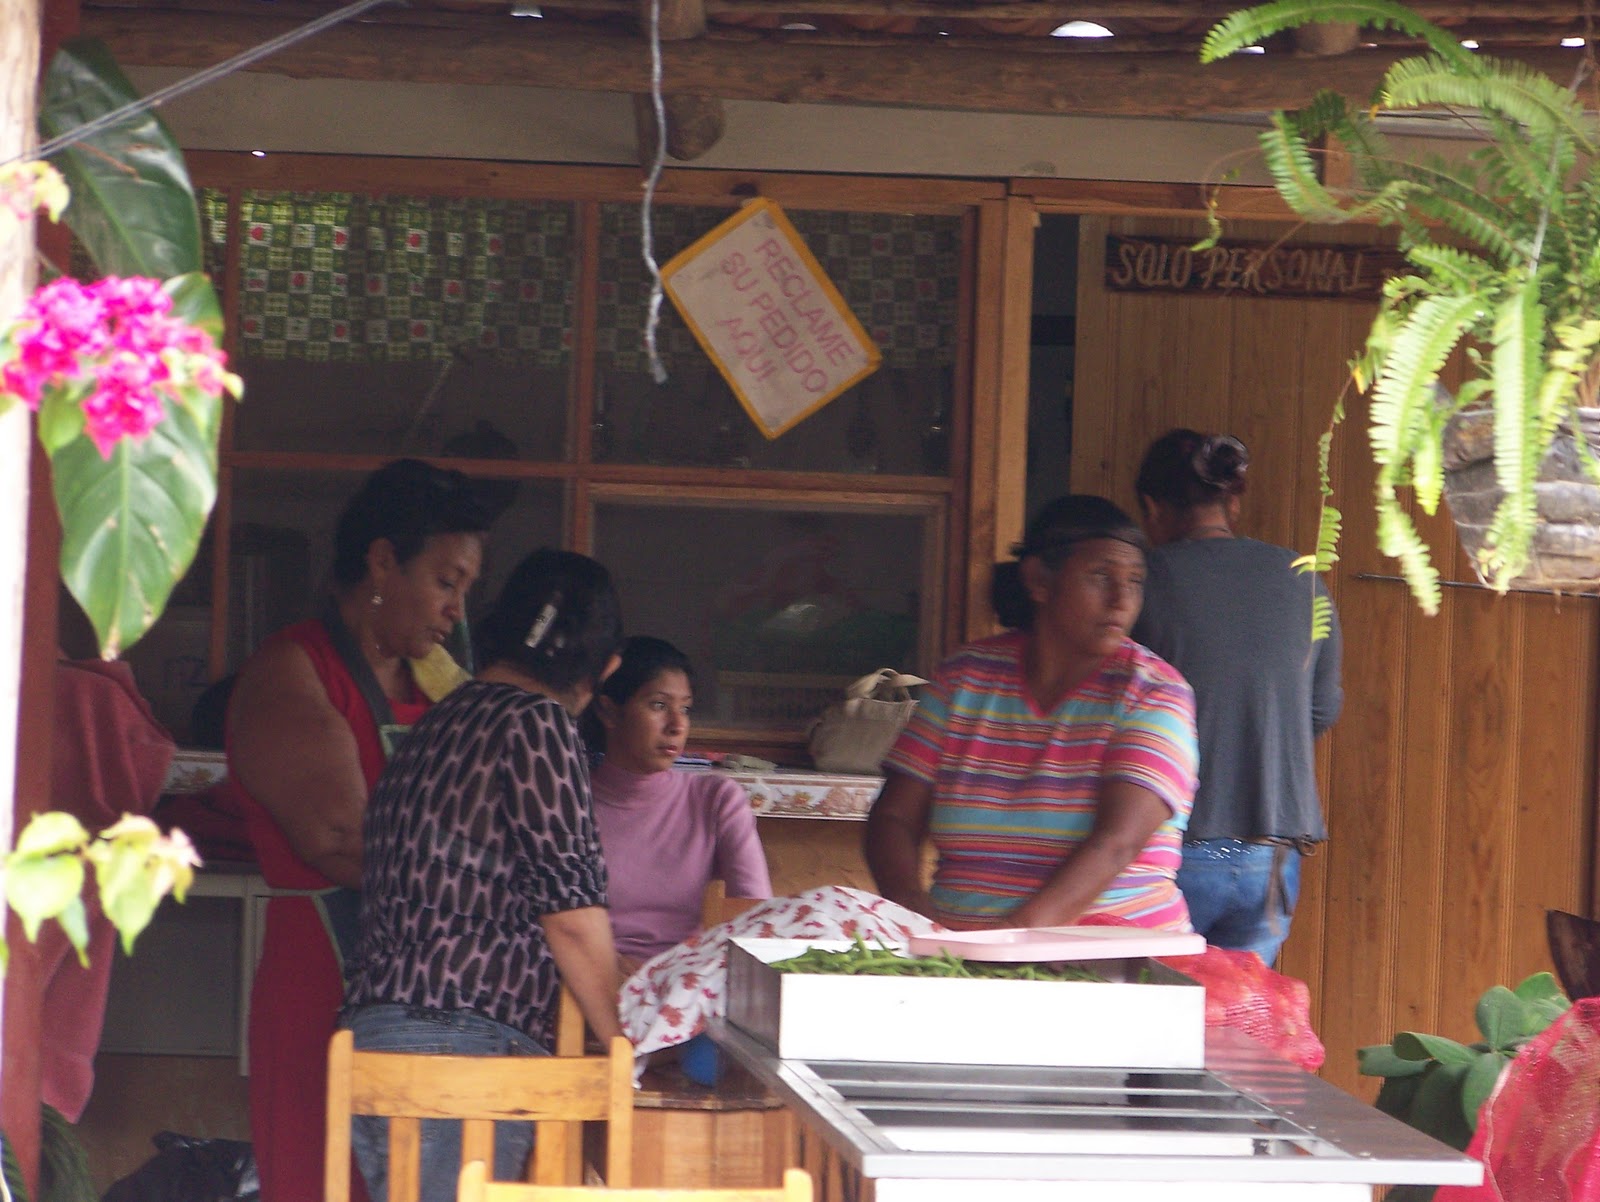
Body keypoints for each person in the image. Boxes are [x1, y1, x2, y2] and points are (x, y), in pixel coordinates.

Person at [221, 459, 492, 1202]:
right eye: (446, 581)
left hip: (439, 997)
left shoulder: (434, 680)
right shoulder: (295, 671)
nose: (455, 613)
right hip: (327, 983)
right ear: (381, 561)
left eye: (465, 589)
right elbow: (341, 841)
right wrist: (499, 877)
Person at [342, 548, 626, 1202]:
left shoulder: (443, 722)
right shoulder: (538, 725)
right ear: (605, 669)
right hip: (458, 1048)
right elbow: (572, 917)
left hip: (387, 1037)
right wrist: (622, 1048)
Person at [865, 495, 1198, 932]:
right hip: (962, 955)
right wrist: (910, 909)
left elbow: (1118, 842)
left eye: (1135, 582)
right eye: (1100, 576)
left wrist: (1014, 942)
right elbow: (894, 817)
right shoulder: (965, 679)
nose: (1121, 600)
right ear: (1039, 581)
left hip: (1114, 963)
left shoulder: (1154, 691)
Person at [1131, 428, 1343, 966]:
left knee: (1158, 1027)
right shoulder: (1304, 579)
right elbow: (1321, 709)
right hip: (1271, 848)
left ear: (1153, 508)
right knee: (1240, 1029)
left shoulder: (1142, 581)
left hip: (1166, 846)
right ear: (1233, 501)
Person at [584, 636, 772, 975]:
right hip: (589, 986)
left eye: (685, 708)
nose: (677, 725)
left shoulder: (714, 799)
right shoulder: (569, 803)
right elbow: (548, 927)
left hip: (686, 989)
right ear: (608, 711)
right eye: (658, 705)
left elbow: (754, 913)